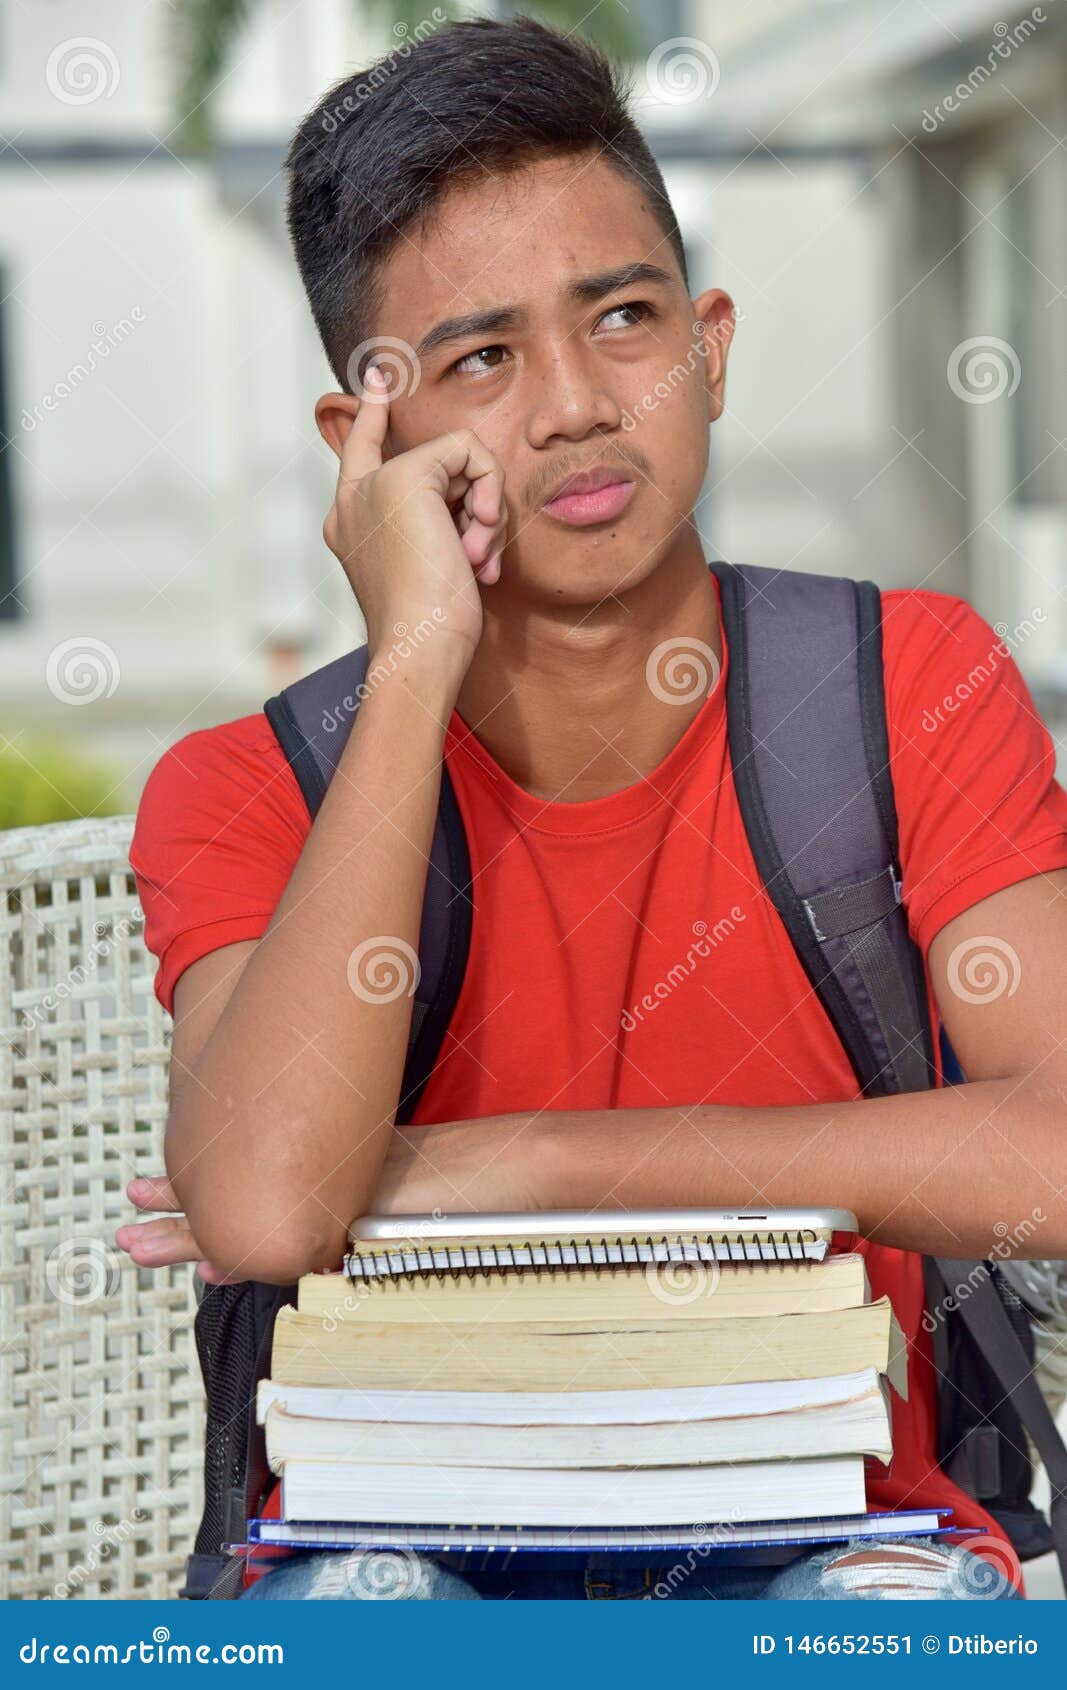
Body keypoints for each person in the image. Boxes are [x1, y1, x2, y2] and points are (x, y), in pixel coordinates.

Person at [120, 16, 1066, 1601]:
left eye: (621, 317)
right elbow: (277, 1203)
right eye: (480, 358)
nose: (572, 404)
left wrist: (529, 1163)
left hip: (846, 1535)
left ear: (706, 344)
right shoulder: (246, 786)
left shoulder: (912, 684)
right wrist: (415, 651)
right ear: (364, 444)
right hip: (392, 1541)